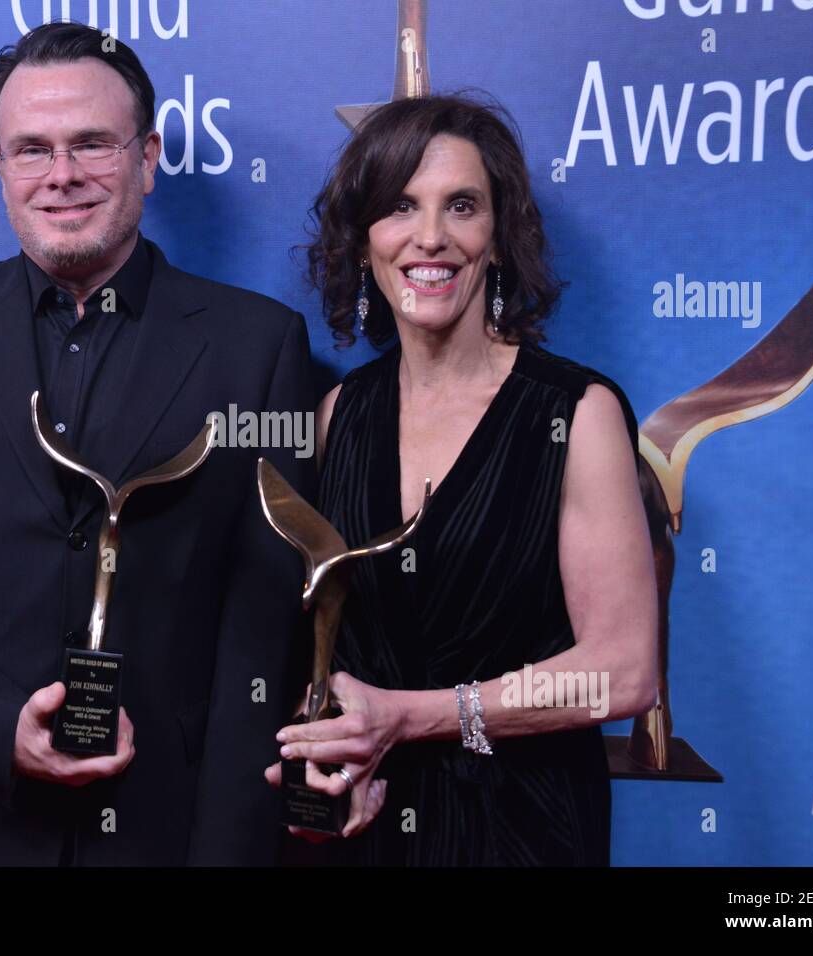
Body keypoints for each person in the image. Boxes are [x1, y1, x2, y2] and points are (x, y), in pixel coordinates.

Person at [0, 22, 314, 866]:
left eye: (92, 144)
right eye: (31, 150)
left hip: (166, 832)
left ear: (149, 157)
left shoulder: (256, 346)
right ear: (0, 167)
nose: (62, 176)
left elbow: (262, 628)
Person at [266, 94, 659, 865]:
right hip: (366, 833)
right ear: (363, 240)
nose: (431, 237)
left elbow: (622, 675)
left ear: (499, 236)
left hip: (526, 828)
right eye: (399, 207)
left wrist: (414, 717)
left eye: (462, 206)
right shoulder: (338, 413)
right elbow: (321, 650)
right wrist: (324, 767)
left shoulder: (575, 413)